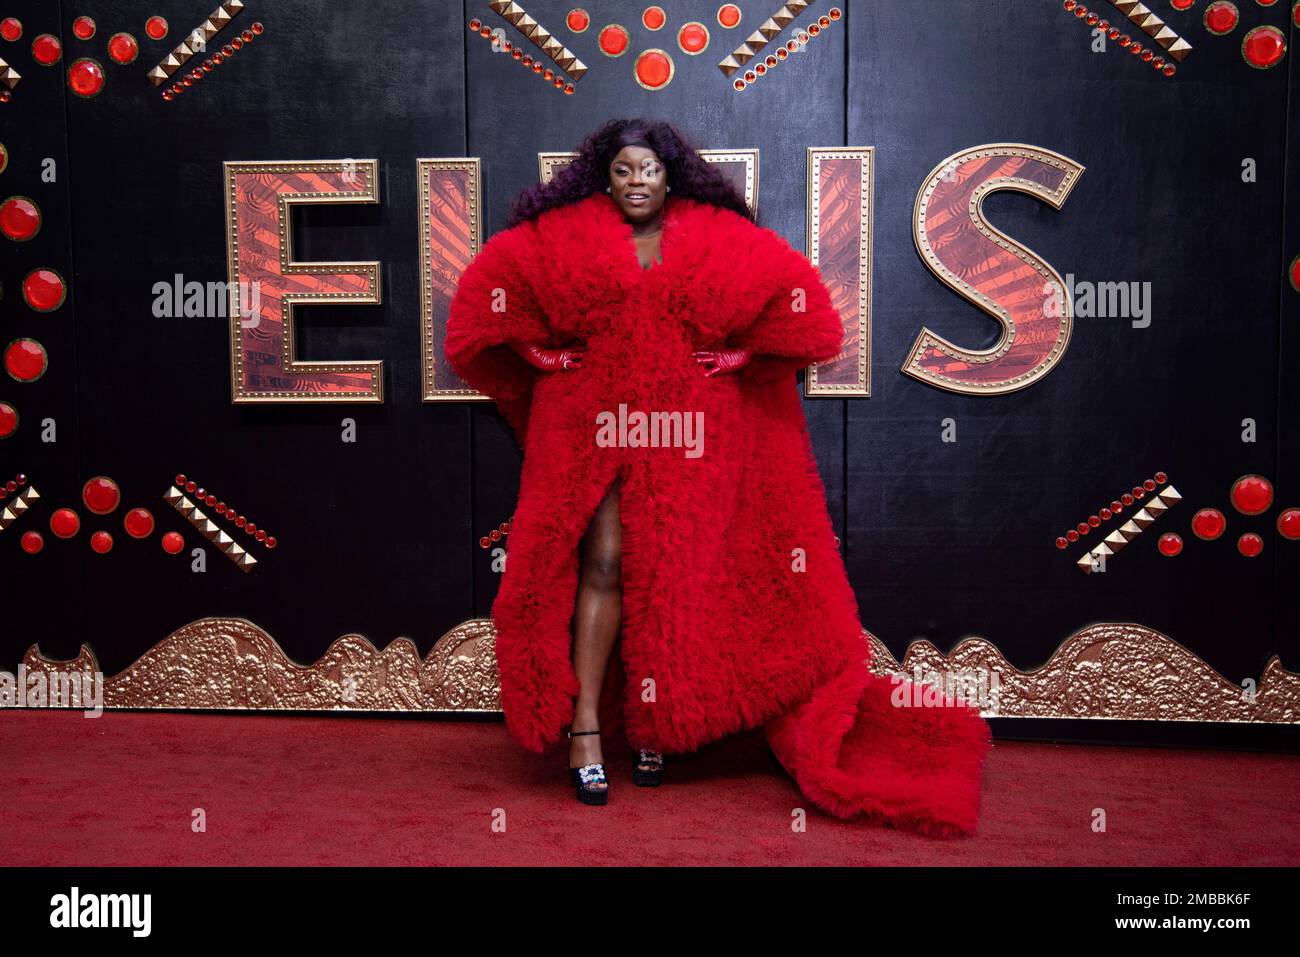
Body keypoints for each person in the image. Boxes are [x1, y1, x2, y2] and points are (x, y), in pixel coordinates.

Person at [446, 118, 992, 835]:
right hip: (593, 427)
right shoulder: (560, 236)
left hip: (690, 436)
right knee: (605, 564)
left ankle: (651, 725)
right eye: (623, 170)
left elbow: (808, 320)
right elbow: (483, 306)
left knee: (670, 573)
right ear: (602, 177)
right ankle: (586, 729)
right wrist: (539, 356)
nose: (637, 182)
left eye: (649, 169)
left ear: (671, 174)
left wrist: (741, 359)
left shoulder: (717, 235)